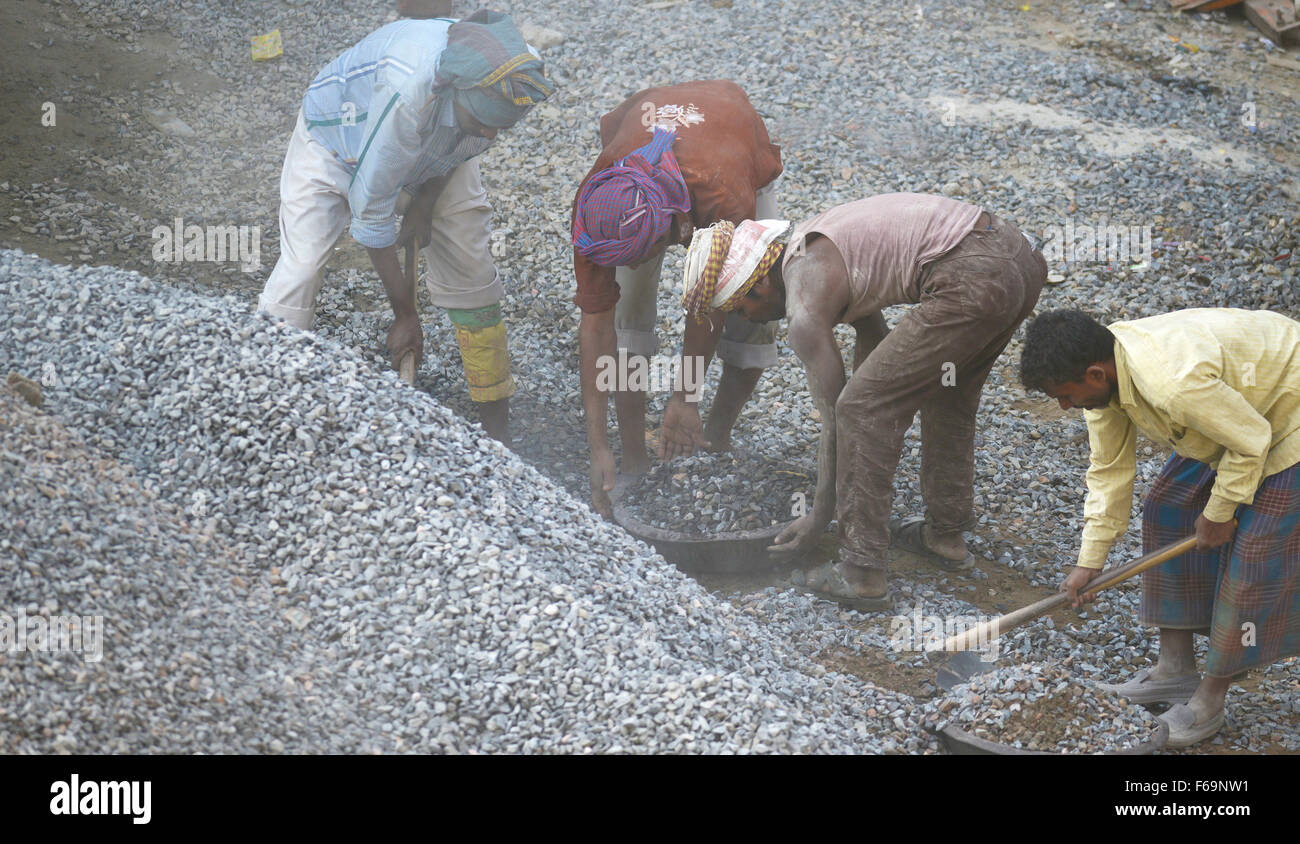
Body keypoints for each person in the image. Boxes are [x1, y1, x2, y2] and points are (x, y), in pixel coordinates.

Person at [686, 194, 1045, 610]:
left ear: (759, 279)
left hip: (971, 275)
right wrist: (878, 387)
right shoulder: (817, 245)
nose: (746, 318)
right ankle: (945, 536)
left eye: (741, 306)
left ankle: (860, 571)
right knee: (947, 393)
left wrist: (819, 517)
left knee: (860, 410)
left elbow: (841, 414)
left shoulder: (803, 300)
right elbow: (872, 337)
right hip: (1017, 259)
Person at [258, 11, 553, 446]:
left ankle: (499, 439)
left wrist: (427, 199)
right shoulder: (408, 92)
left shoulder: (513, 76)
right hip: (339, 140)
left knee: (472, 271)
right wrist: (405, 315)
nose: (492, 132)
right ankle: (263, 393)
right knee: (301, 268)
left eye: (500, 125)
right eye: (483, 121)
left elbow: (462, 143)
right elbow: (371, 215)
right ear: (452, 92)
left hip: (432, 143)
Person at [1019, 307, 1300, 747]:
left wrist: (1219, 513)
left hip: (1289, 415)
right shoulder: (1107, 381)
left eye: (1065, 395)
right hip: (1240, 409)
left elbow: (1252, 442)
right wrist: (1089, 563)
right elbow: (1109, 470)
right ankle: (1174, 670)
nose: (1064, 406)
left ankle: (1209, 700)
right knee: (1168, 507)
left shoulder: (1174, 384)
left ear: (1095, 373)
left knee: (1254, 551)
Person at [572, 80, 783, 516]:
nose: (629, 267)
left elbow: (709, 303)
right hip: (647, 153)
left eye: (641, 256)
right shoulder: (596, 211)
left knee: (755, 309)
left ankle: (715, 438)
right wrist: (598, 448)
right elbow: (597, 325)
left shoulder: (724, 194)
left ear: (670, 229)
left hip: (729, 150)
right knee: (628, 320)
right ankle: (634, 458)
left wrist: (686, 397)